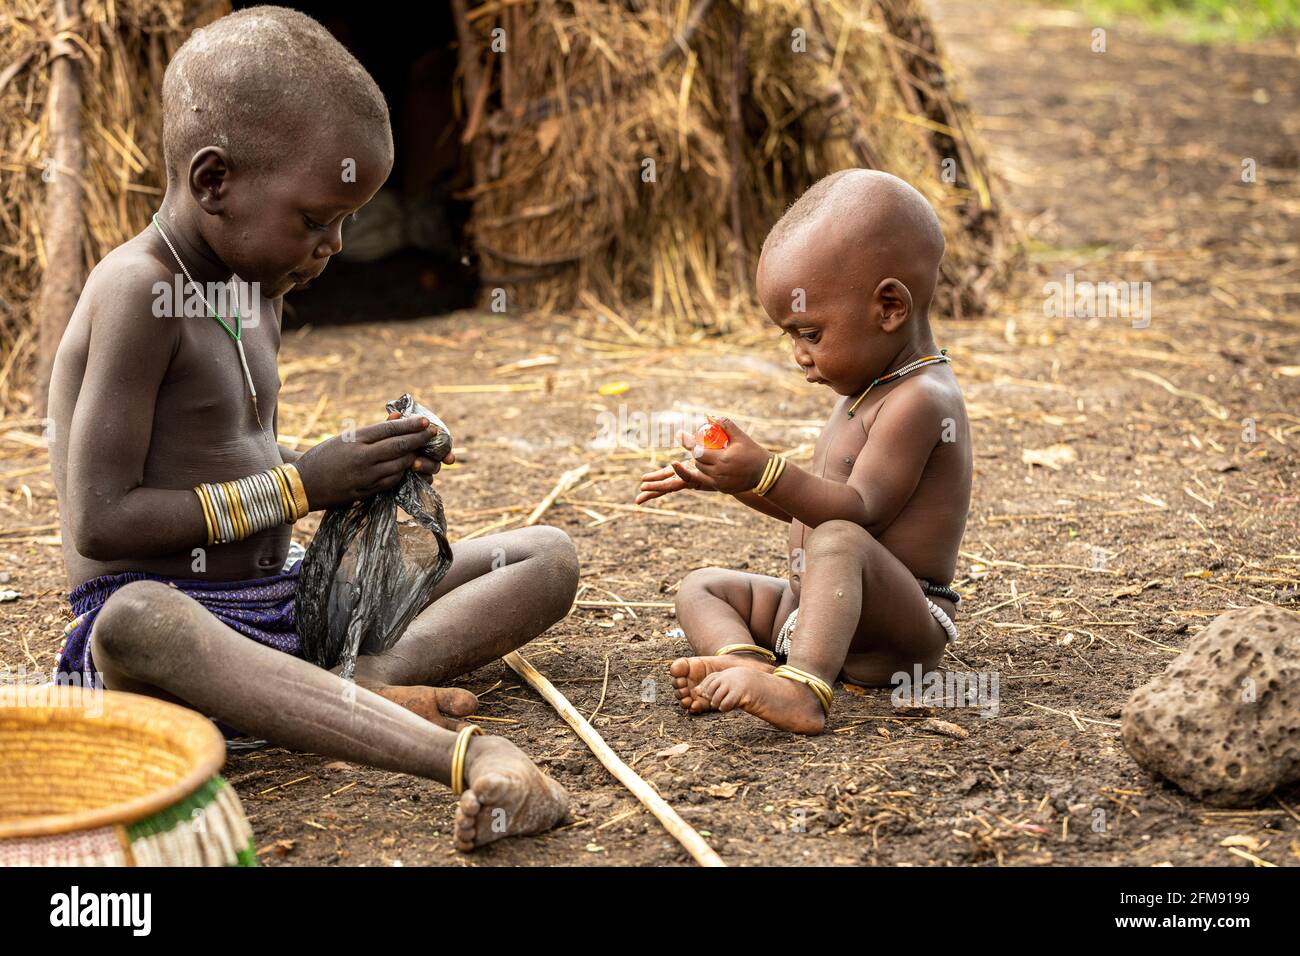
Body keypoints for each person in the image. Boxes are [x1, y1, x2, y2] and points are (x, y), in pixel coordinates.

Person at [45, 6, 572, 852]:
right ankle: (469, 756)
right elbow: (101, 518)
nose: (333, 245)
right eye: (317, 218)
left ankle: (365, 681)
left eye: (348, 221)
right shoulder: (137, 294)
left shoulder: (259, 285)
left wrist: (366, 461)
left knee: (546, 556)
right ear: (214, 181)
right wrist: (301, 484)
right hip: (180, 634)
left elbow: (239, 454)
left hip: (287, 605)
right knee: (135, 618)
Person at [638, 170, 972, 735]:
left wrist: (766, 470)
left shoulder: (920, 399)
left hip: (899, 627)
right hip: (814, 609)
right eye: (788, 336)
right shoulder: (868, 386)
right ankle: (745, 663)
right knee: (703, 585)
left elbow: (857, 513)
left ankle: (803, 691)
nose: (798, 355)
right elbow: (812, 505)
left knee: (840, 539)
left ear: (889, 307)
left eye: (809, 333)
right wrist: (735, 481)